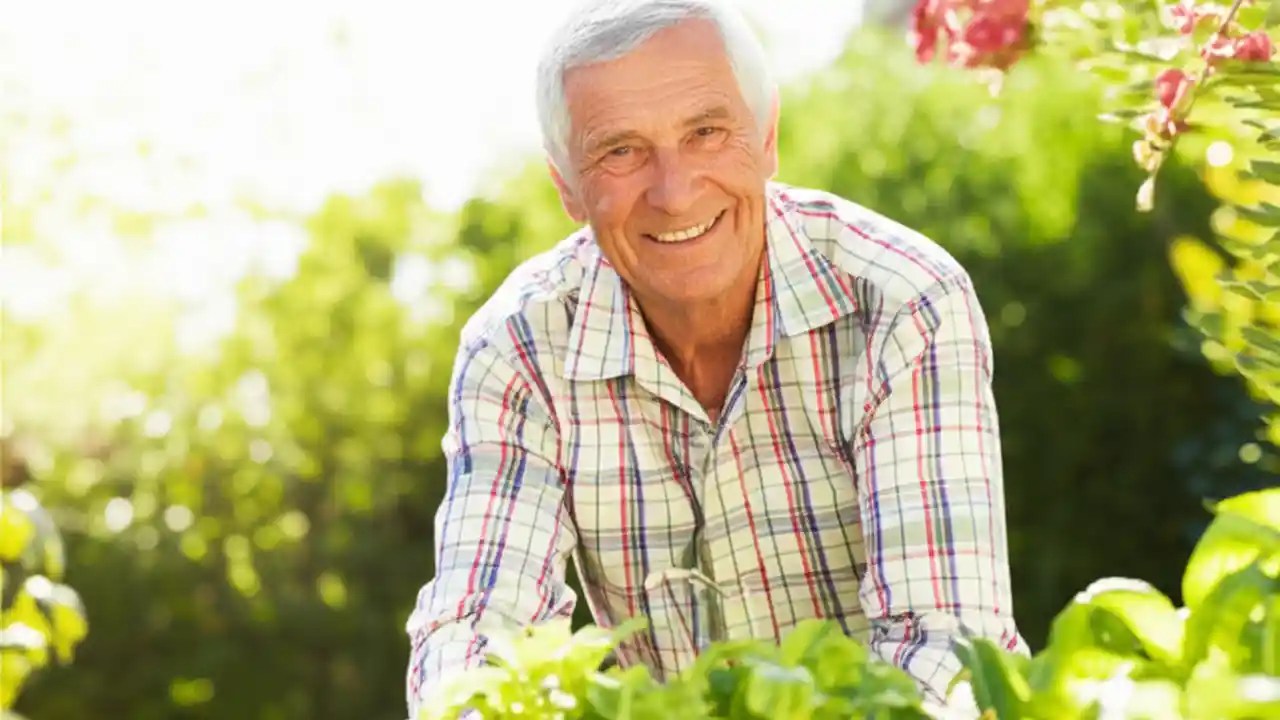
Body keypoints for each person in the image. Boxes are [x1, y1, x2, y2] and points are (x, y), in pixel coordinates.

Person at [406, 0, 1025, 716]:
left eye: (705, 132)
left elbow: (945, 650)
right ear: (567, 188)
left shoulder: (902, 300)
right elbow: (478, 638)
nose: (674, 191)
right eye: (620, 151)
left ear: (767, 138)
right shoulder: (517, 351)